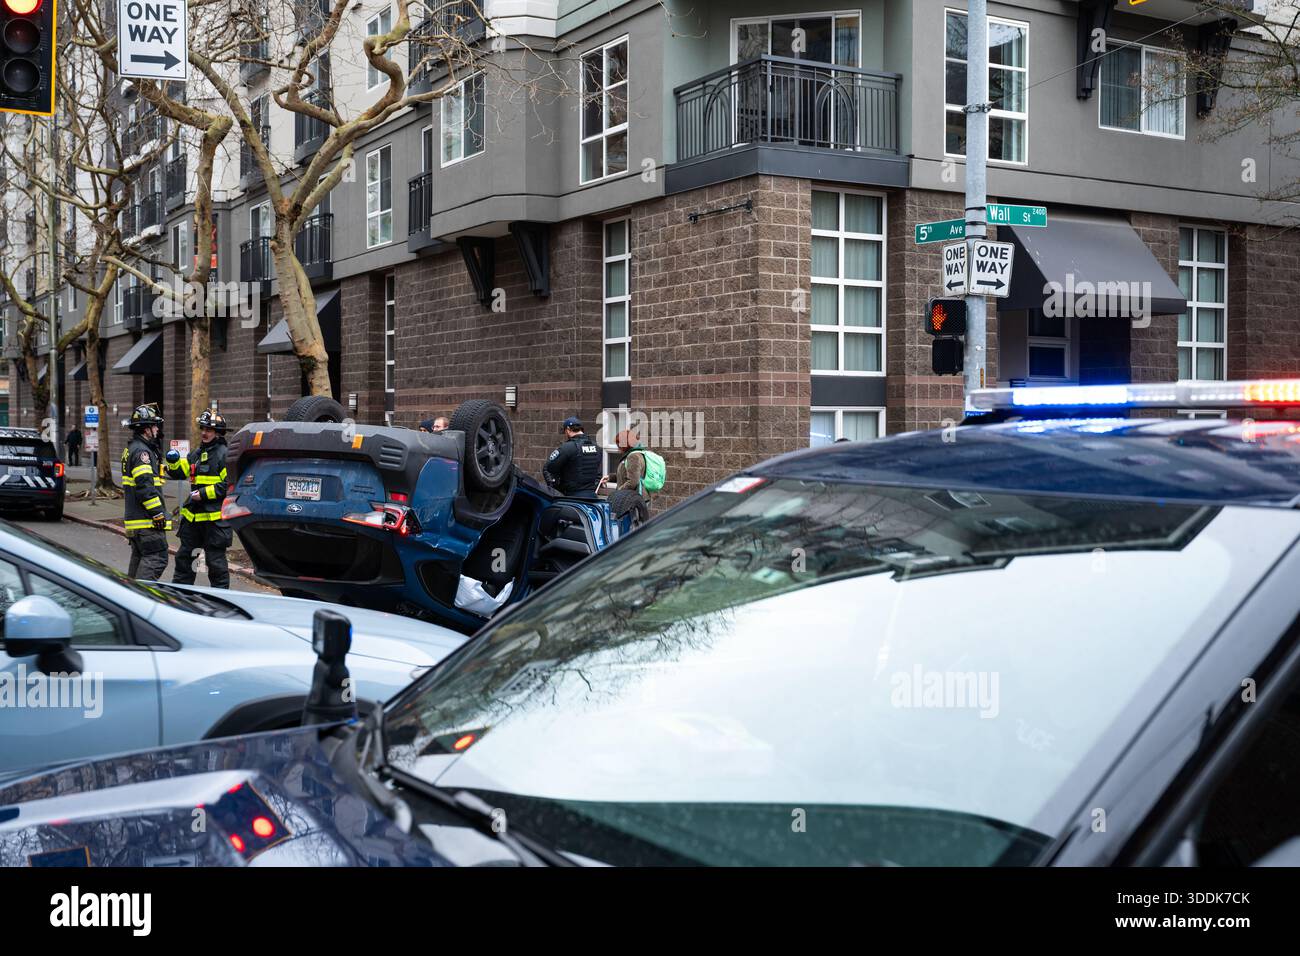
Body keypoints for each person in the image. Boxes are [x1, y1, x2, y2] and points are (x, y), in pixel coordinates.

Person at [164, 410, 231, 589]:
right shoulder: (196, 453)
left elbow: (228, 484)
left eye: (208, 429)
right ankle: (182, 595)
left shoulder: (224, 454)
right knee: (186, 559)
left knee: (215, 563)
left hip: (214, 522)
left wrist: (203, 493)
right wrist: (173, 462)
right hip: (193, 521)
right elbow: (180, 472)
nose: (204, 432)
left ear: (218, 432)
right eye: (202, 428)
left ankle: (222, 601)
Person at [121, 404, 170, 581]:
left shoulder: (132, 449)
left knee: (140, 558)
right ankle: (141, 599)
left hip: (136, 521)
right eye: (154, 425)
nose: (157, 429)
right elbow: (145, 487)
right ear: (146, 428)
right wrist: (157, 513)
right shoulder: (143, 452)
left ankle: (130, 595)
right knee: (157, 558)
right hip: (146, 521)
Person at [542, 416, 601, 496]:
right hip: (591, 496)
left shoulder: (567, 447)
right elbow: (598, 472)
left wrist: (554, 487)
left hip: (571, 497)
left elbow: (549, 467)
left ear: (568, 430)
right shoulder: (596, 447)